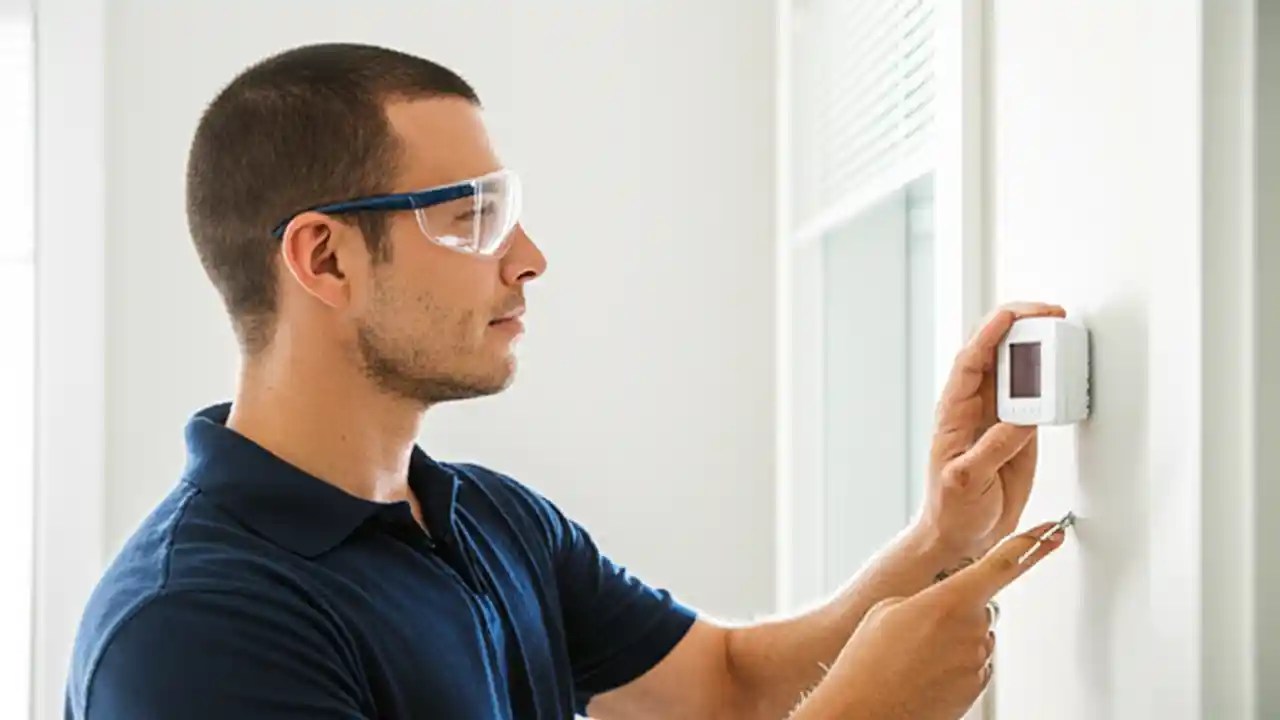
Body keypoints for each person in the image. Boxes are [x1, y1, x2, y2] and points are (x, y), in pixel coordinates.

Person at [65, 42, 1068, 720]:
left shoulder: (492, 522)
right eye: (470, 219)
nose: (529, 257)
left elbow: (723, 686)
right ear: (324, 260)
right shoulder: (191, 628)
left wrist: (940, 541)